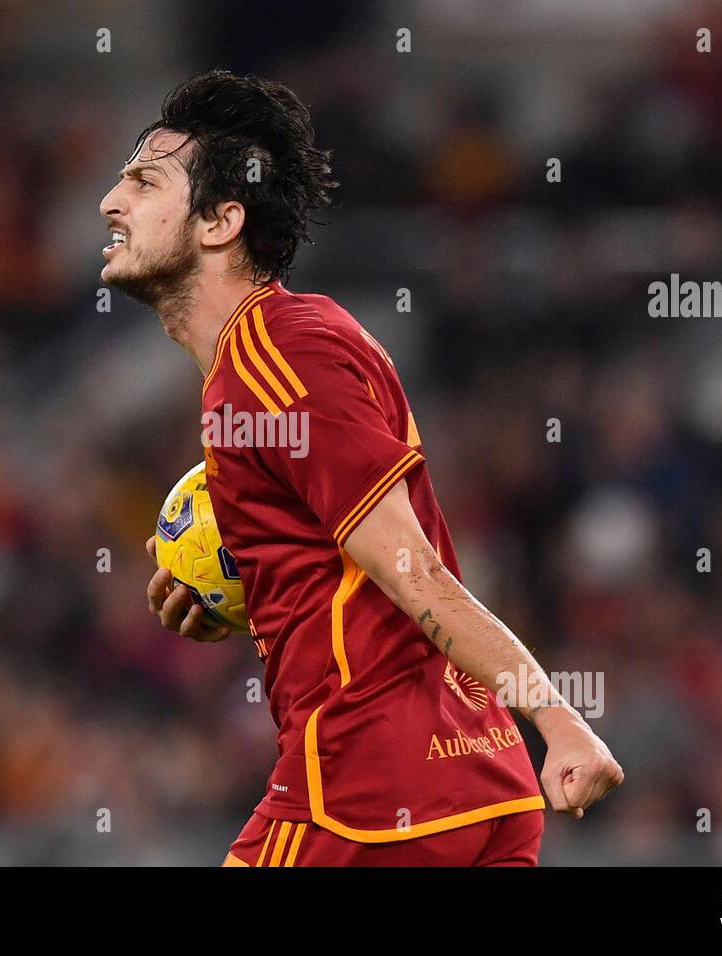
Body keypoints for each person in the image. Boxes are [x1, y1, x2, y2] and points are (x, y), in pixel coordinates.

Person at [98, 69, 623, 865]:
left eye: (143, 180)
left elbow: (411, 567)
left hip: (370, 790)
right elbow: (345, 567)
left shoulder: (278, 355)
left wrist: (557, 719)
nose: (111, 202)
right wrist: (242, 585)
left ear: (220, 222)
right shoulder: (283, 347)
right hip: (463, 782)